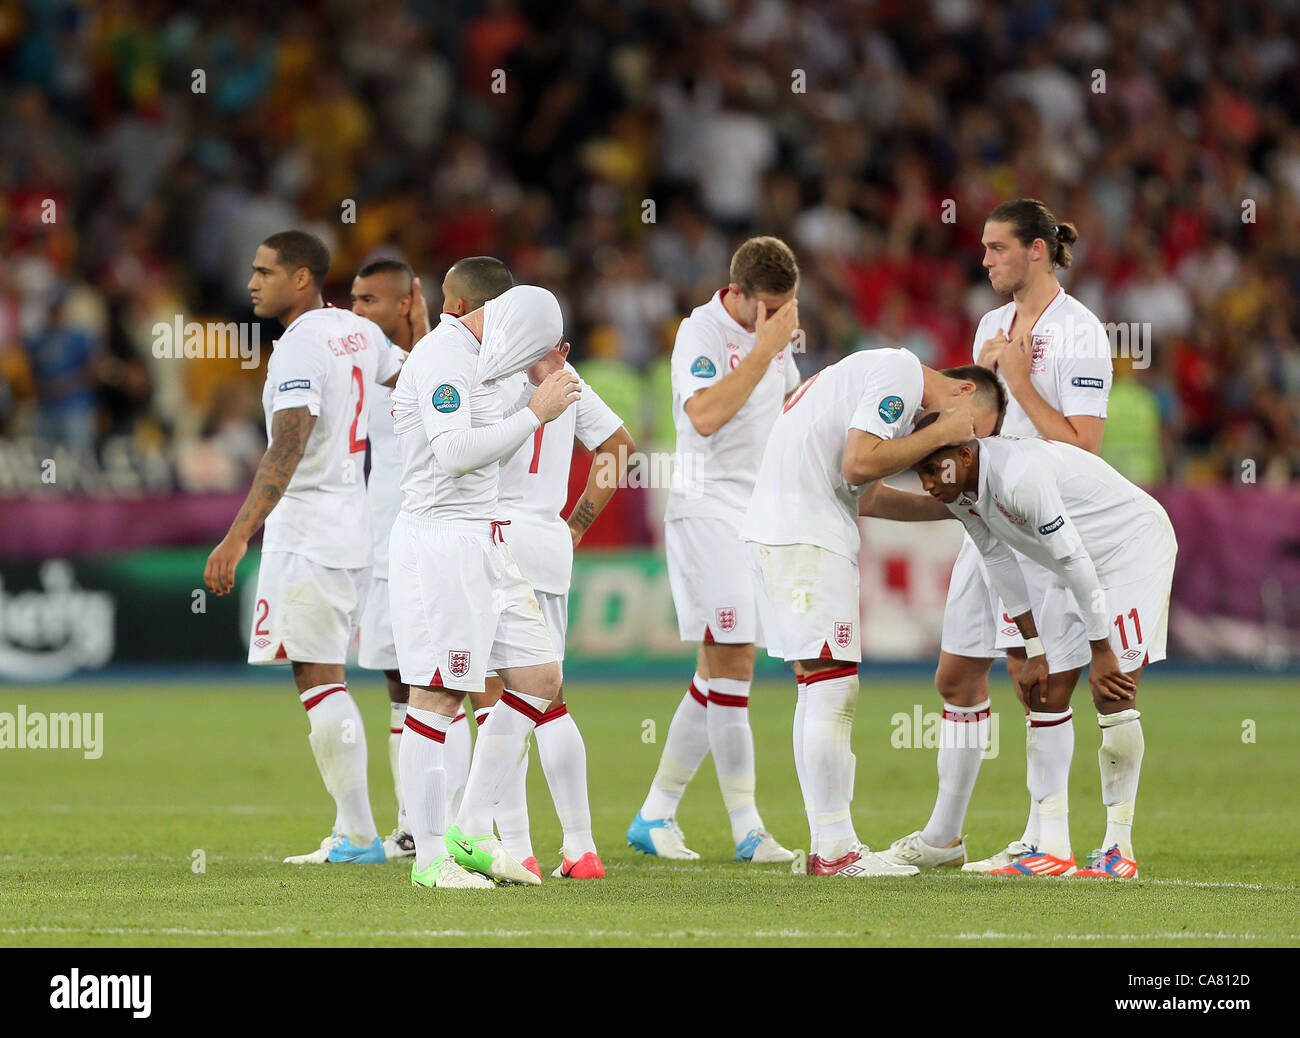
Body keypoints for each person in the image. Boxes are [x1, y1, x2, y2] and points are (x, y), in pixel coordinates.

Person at [867, 200, 1115, 874]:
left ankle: (1047, 841)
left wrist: (1015, 380)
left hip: (1040, 521)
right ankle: (945, 839)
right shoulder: (991, 326)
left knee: (1035, 680)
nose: (985, 260)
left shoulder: (1082, 333)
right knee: (955, 677)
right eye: (984, 248)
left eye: (998, 248)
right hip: (988, 522)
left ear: (1037, 251)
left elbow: (1085, 447)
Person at [742, 348, 1006, 877]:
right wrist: (936, 434)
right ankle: (836, 851)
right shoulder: (902, 372)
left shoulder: (869, 383)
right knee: (834, 687)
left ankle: (826, 845)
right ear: (958, 393)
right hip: (805, 535)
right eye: (970, 429)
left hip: (783, 530)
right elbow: (858, 464)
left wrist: (948, 508)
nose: (963, 444)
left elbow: (867, 495)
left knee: (818, 686)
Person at [204, 230, 405, 865]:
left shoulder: (296, 350)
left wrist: (238, 535)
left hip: (310, 531)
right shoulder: (359, 332)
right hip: (356, 525)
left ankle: (357, 835)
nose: (251, 283)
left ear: (302, 279)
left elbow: (287, 447)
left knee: (318, 678)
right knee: (334, 675)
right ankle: (376, 831)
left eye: (265, 272)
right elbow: (410, 377)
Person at [910, 422, 1177, 878]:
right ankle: (1051, 846)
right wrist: (1033, 645)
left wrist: (1102, 650)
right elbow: (997, 559)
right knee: (1045, 691)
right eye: (922, 474)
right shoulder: (960, 491)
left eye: (936, 469)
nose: (930, 483)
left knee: (1112, 692)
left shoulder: (1020, 479)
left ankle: (1119, 847)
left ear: (967, 456)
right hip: (1070, 562)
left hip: (1129, 551)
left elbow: (1073, 557)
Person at [389, 283, 579, 890]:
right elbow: (453, 455)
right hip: (441, 540)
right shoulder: (444, 357)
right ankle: (429, 859)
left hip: (489, 538)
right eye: (536, 348)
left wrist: (528, 394)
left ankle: (470, 826)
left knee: (539, 680)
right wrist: (536, 410)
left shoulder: (488, 363)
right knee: (441, 694)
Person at [627, 236, 801, 865]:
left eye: (790, 307)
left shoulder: (775, 341)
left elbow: (787, 417)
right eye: (773, 307)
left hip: (754, 515)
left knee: (717, 670)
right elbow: (704, 415)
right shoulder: (699, 333)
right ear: (740, 295)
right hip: (706, 510)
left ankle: (655, 813)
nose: (784, 318)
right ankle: (748, 830)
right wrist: (762, 350)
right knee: (733, 663)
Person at [484, 348, 634, 880]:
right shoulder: (565, 376)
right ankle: (581, 848)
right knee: (548, 700)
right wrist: (576, 524)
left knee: (494, 702)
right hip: (549, 542)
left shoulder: (483, 369)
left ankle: (519, 850)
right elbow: (619, 447)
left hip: (493, 539)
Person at [349, 257, 431, 858]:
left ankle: (471, 819)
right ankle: (410, 824)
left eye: (369, 301)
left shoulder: (431, 364)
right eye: (352, 300)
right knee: (397, 687)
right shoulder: (362, 365)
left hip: (431, 543)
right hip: (379, 548)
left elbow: (434, 388)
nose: (357, 312)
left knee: (450, 682)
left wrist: (425, 329)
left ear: (405, 302)